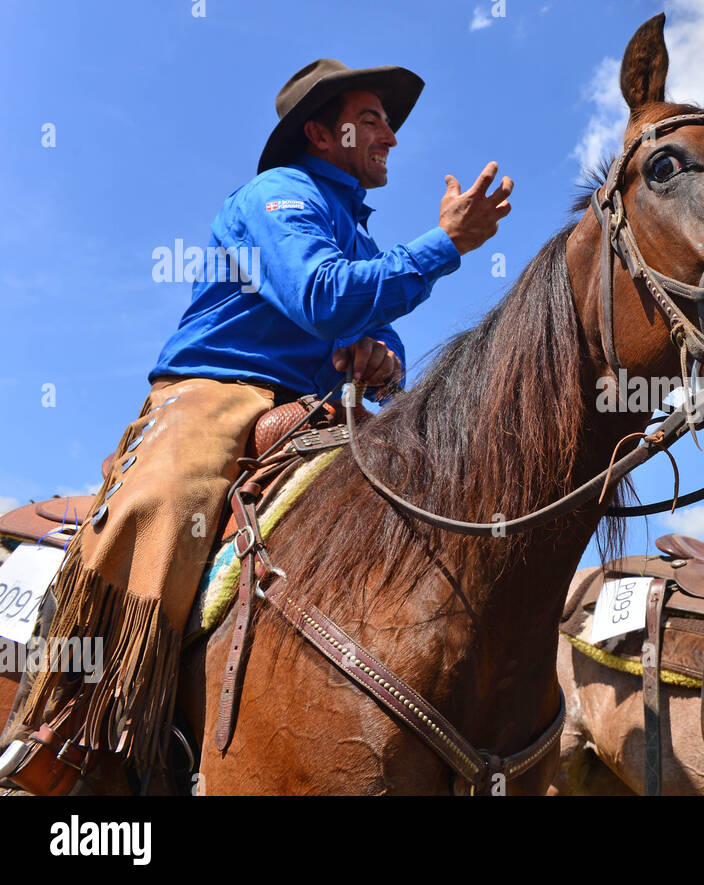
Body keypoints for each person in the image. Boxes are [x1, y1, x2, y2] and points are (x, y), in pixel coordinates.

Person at [1, 59, 512, 794]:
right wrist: (445, 244)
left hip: (314, 410)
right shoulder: (279, 195)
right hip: (216, 395)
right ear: (321, 133)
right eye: (371, 119)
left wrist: (382, 354)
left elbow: (374, 323)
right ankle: (70, 731)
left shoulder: (356, 229)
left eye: (387, 121)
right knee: (166, 504)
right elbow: (322, 295)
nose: (392, 137)